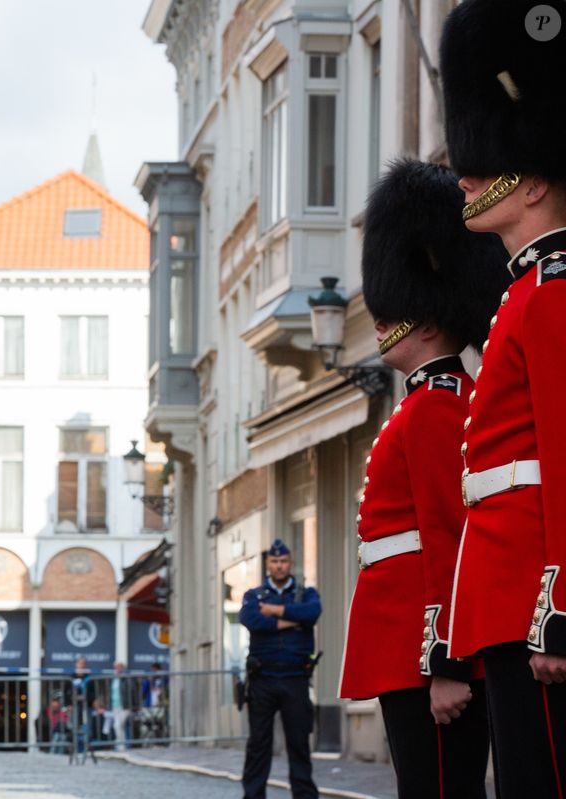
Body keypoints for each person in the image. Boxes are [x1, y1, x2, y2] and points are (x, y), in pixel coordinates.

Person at [339, 160, 507, 798]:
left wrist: (447, 662)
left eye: (395, 309)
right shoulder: (420, 404)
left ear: (431, 314)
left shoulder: (439, 406)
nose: (381, 321)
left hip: (423, 646)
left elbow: (448, 536)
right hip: (401, 640)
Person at [440, 1, 566, 794]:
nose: (467, 175)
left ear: (539, 178)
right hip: (504, 594)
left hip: (535, 599)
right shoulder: (520, 296)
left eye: (488, 166)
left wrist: (561, 604)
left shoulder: (553, 293)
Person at [239, 539, 321, 799]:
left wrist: (274, 611)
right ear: (267, 564)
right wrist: (291, 620)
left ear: (291, 564)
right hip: (262, 679)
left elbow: (312, 613)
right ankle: (253, 796)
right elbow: (251, 620)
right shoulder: (254, 596)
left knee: (298, 744)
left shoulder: (306, 594)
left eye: (283, 561)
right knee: (258, 745)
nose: (279, 566)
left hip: (295, 678)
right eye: (274, 562)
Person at [109, 661, 139, 749]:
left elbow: (133, 691)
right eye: (116, 667)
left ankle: (121, 745)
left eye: (119, 667)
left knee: (117, 725)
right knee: (119, 726)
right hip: (115, 705)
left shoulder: (127, 678)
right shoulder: (113, 678)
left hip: (125, 705)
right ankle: (120, 745)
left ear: (123, 668)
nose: (117, 669)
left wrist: (135, 704)